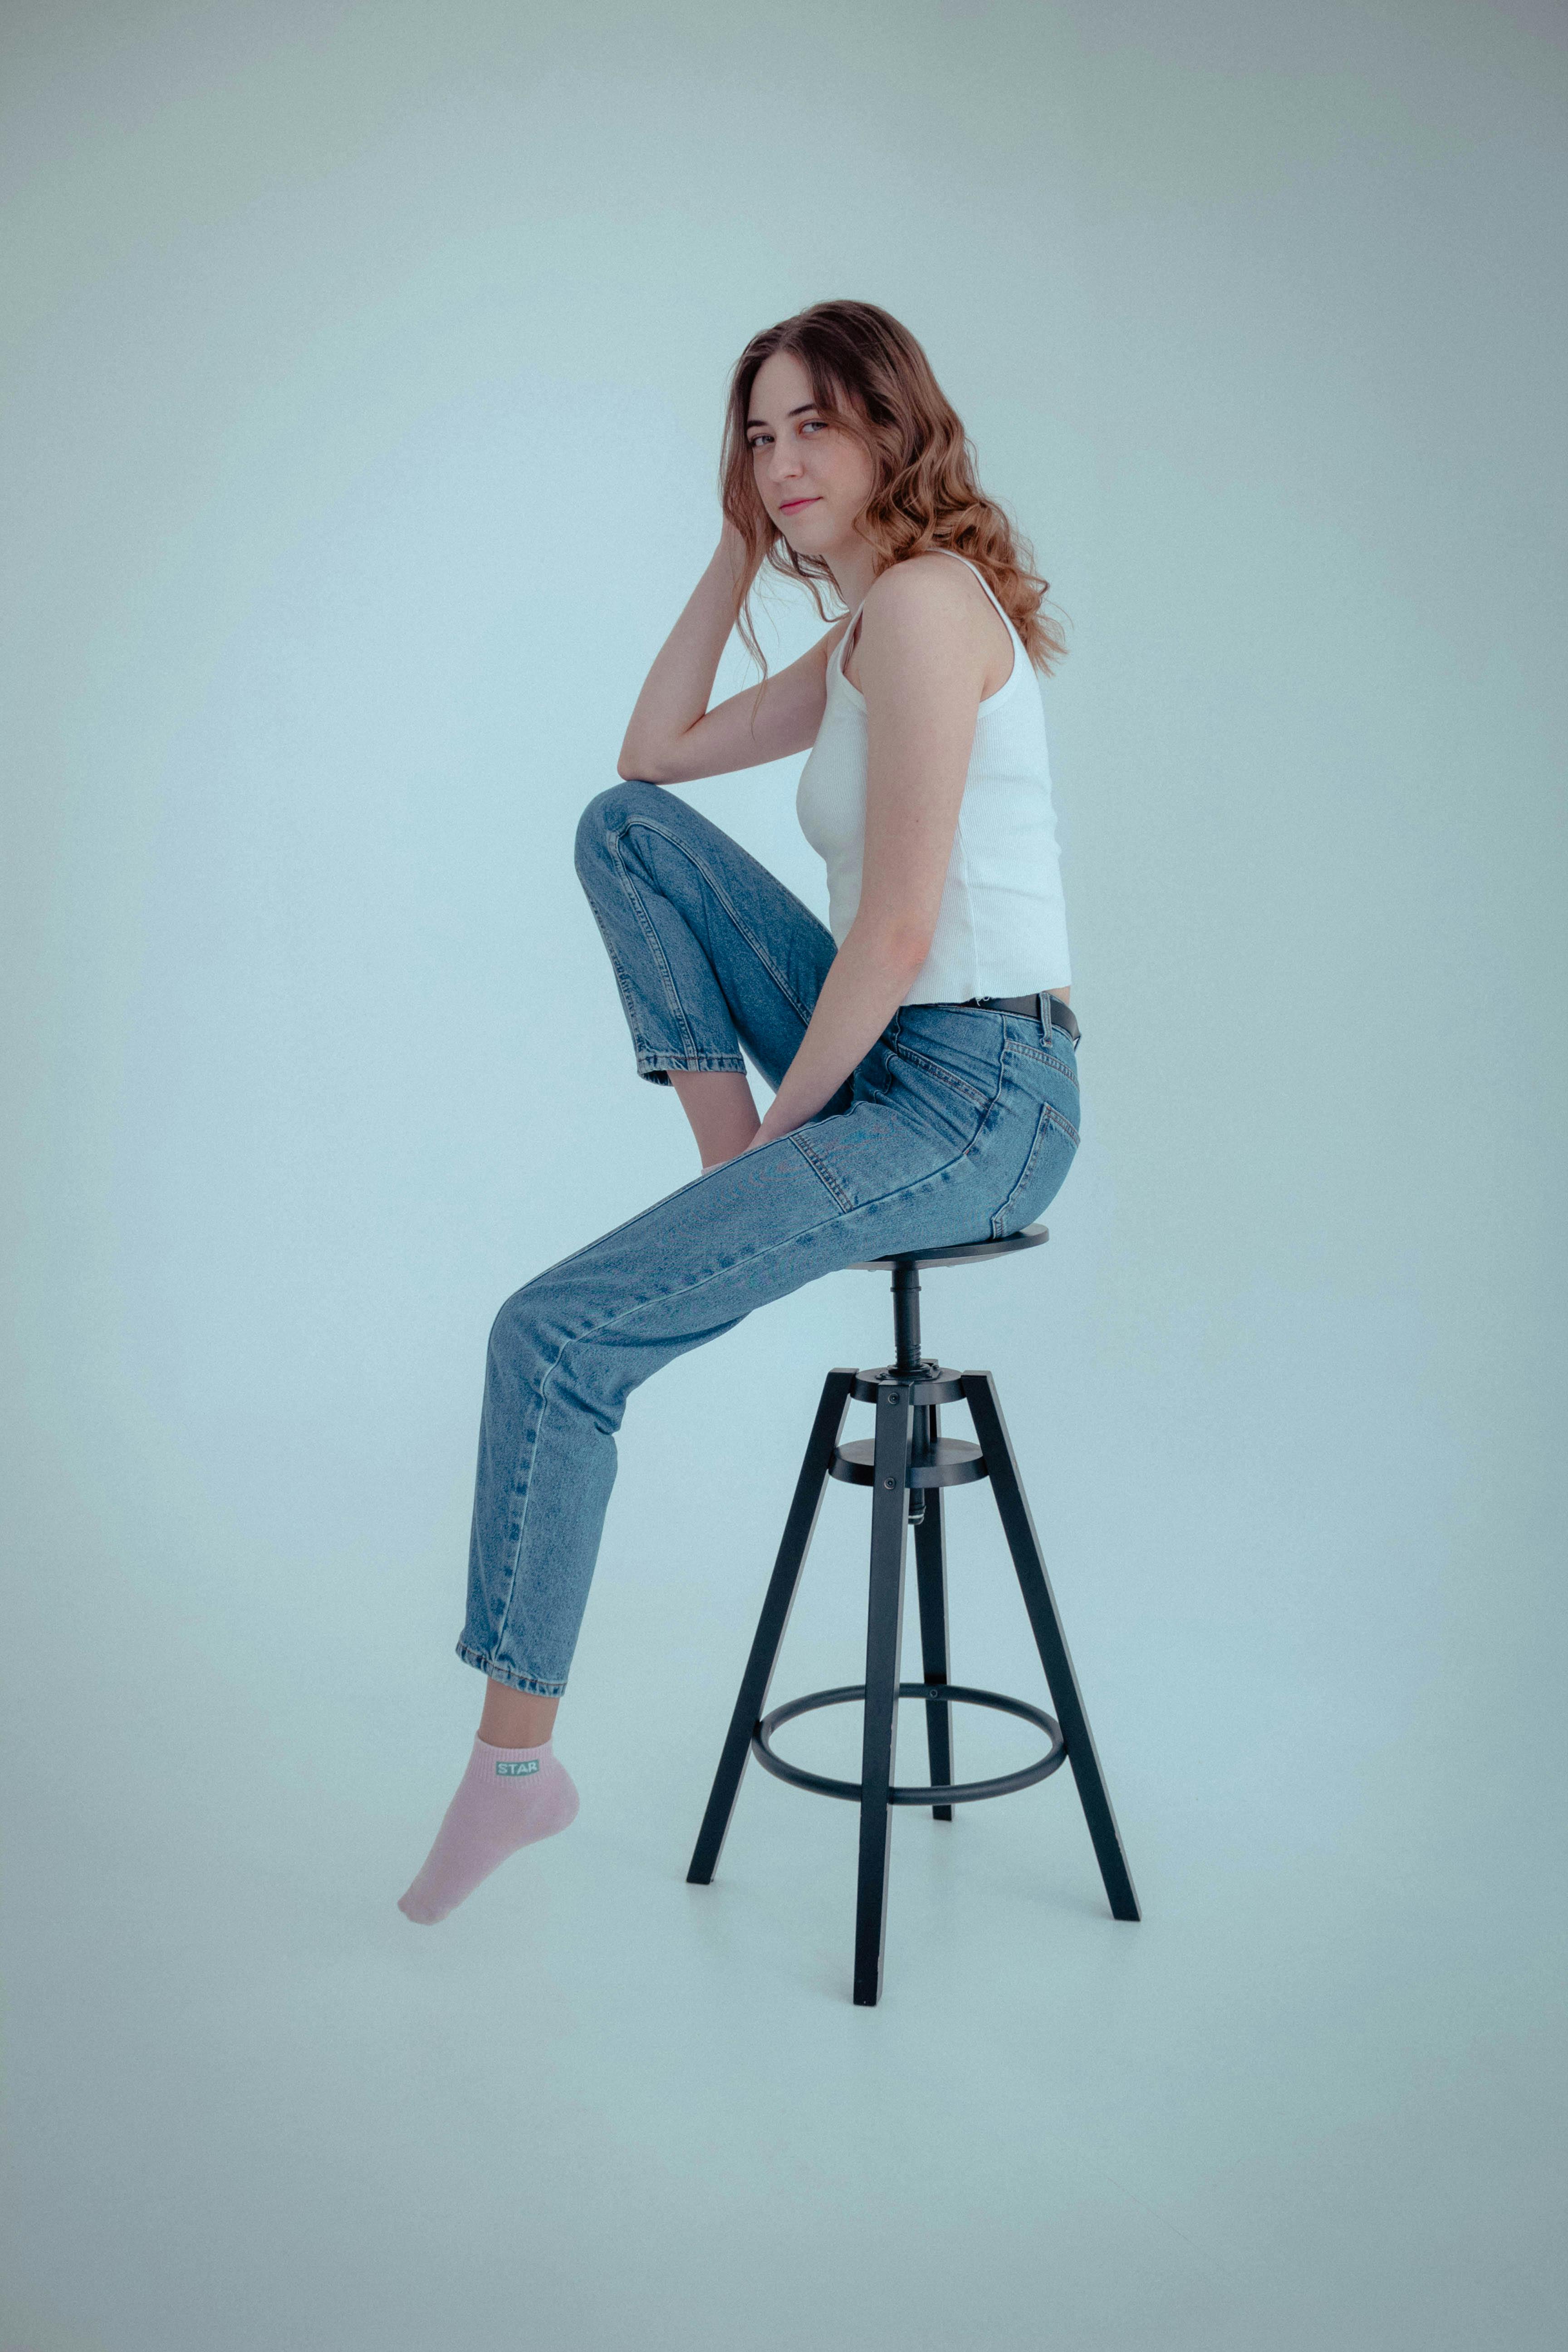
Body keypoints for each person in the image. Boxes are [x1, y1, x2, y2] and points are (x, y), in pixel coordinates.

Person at [397, 299, 1083, 1925]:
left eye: (816, 428)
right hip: (901, 1058)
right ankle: (734, 1186)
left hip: (981, 1094)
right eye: (760, 436)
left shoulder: (923, 608)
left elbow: (905, 931)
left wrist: (796, 1141)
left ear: (895, 430)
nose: (783, 462)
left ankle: (515, 1770)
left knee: (556, 1336)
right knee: (625, 829)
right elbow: (653, 752)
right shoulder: (859, 636)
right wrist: (729, 554)